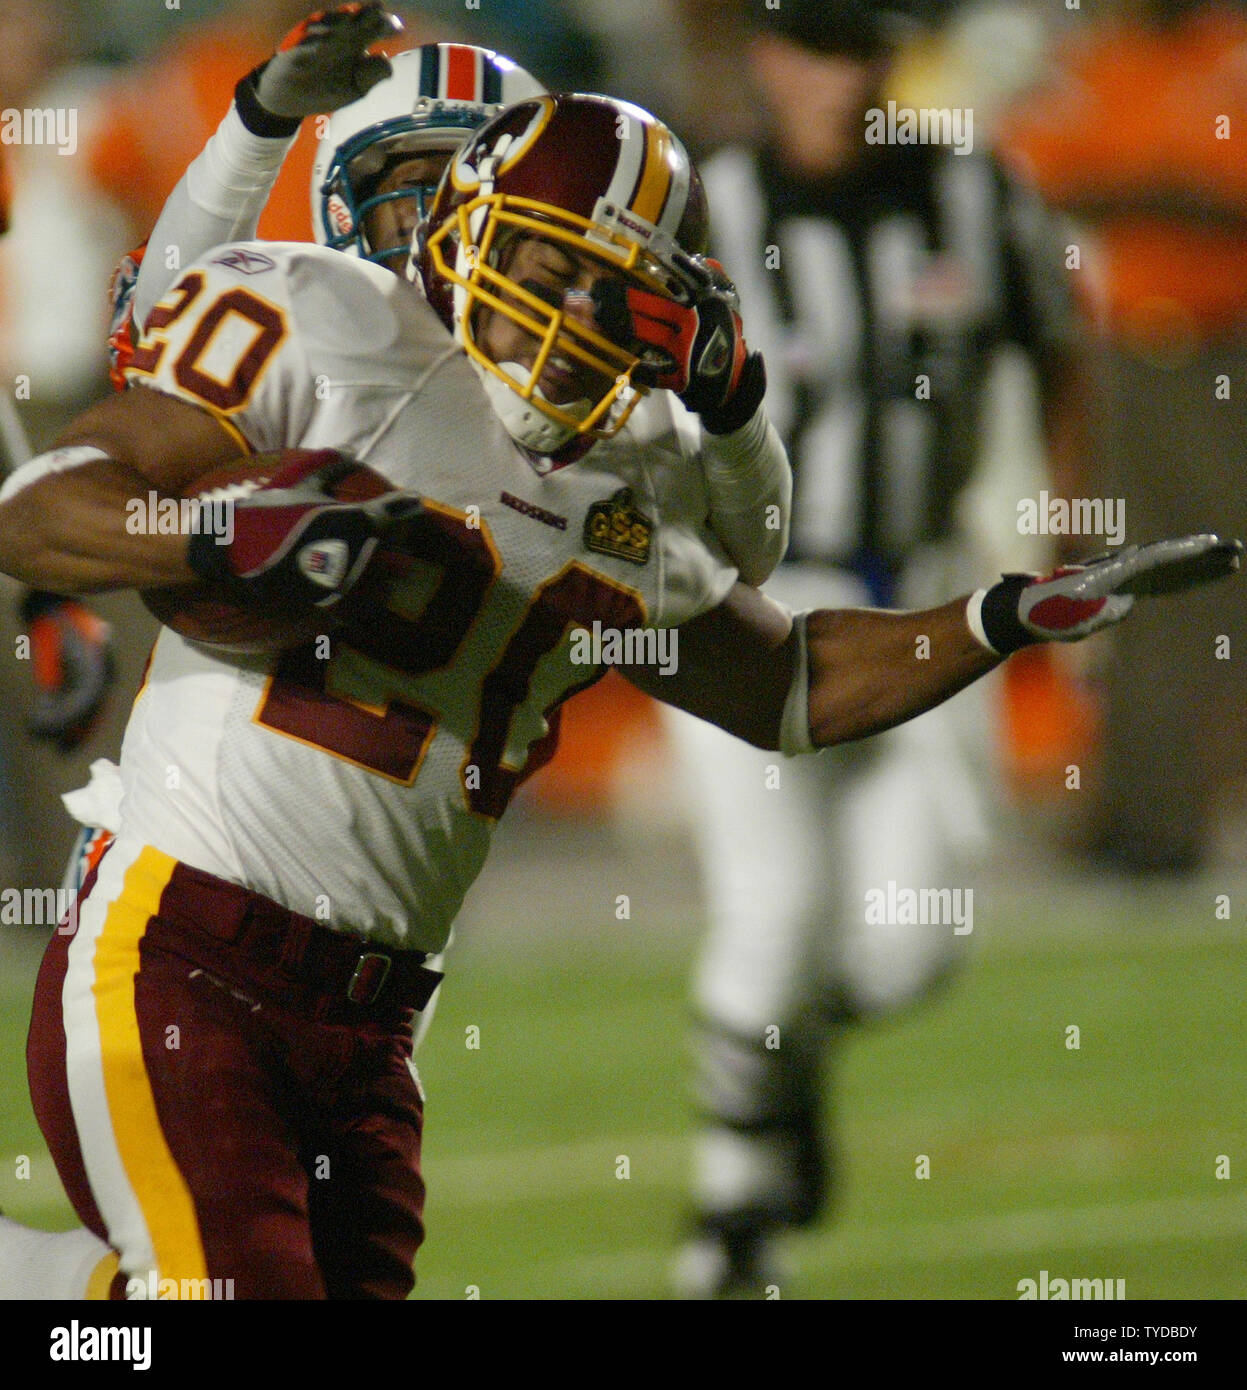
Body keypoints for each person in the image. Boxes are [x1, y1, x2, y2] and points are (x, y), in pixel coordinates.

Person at [0, 79, 1234, 1310]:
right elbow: (41, 509)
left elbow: (792, 683)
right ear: (467, 223)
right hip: (183, 948)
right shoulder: (323, 328)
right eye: (549, 265)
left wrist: (996, 617)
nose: (573, 315)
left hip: (373, 1031)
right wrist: (220, 539)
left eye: (612, 289)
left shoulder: (626, 476)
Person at [663, 0, 1092, 1296]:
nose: (835, 78)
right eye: (811, 46)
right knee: (768, 913)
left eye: (857, 48)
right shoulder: (701, 209)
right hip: (744, 604)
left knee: (909, 943)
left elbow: (1060, 350)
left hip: (922, 602)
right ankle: (728, 1227)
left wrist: (1064, 537)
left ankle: (780, 1073)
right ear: (764, 56)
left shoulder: (972, 192)